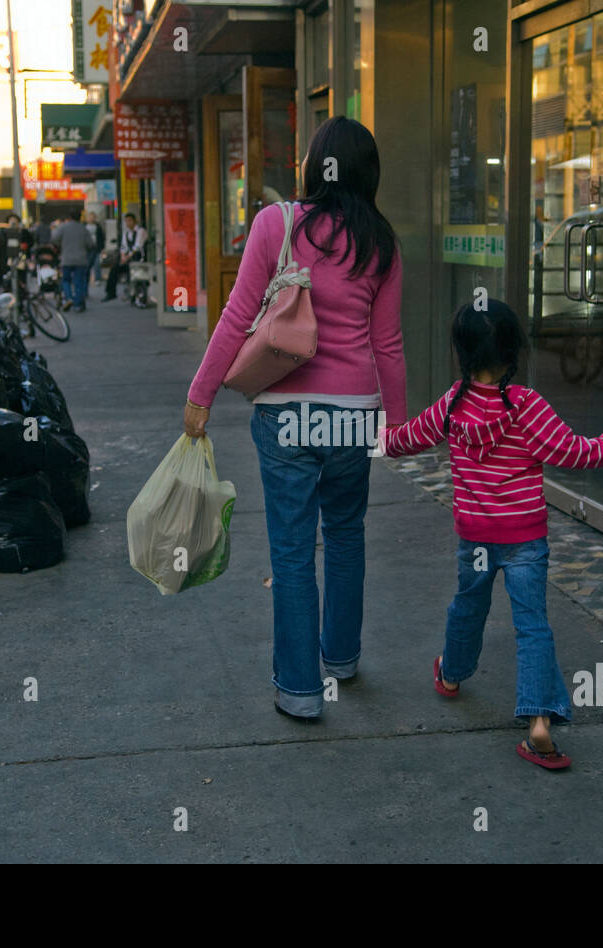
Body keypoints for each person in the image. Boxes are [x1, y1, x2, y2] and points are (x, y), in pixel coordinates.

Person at [184, 116, 406, 720]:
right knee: (346, 534)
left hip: (286, 413)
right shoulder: (382, 243)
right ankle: (343, 658)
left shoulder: (276, 224)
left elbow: (236, 316)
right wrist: (401, 425)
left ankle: (301, 692)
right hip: (355, 416)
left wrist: (201, 394)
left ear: (313, 165)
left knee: (290, 550)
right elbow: (388, 345)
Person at [377, 299, 603, 770]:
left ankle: (451, 675)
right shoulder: (527, 406)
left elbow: (403, 441)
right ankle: (538, 723)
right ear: (514, 349)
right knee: (532, 625)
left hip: (475, 537)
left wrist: (374, 432)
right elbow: (577, 453)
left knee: (468, 605)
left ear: (463, 353)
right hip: (524, 539)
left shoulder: (453, 403)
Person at [54, 209, 94, 312]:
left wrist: (61, 245)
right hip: (81, 260)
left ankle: (69, 298)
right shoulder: (83, 229)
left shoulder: (63, 227)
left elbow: (54, 238)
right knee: (78, 281)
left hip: (66, 259)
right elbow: (91, 244)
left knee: (66, 280)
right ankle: (78, 304)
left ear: (70, 217)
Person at [103, 212, 147, 302]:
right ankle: (110, 293)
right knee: (114, 269)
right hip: (128, 259)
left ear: (135, 221)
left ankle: (136, 294)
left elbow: (138, 246)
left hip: (139, 259)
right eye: (126, 221)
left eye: (130, 221)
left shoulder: (140, 231)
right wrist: (123, 256)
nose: (128, 223)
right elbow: (124, 246)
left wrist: (127, 257)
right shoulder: (126, 233)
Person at [84, 212, 103, 286]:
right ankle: (87, 279)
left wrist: (101, 247)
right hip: (87, 249)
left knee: (97, 264)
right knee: (87, 265)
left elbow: (102, 237)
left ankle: (97, 279)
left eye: (93, 217)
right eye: (90, 217)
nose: (91, 218)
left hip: (96, 248)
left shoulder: (98, 226)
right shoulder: (84, 226)